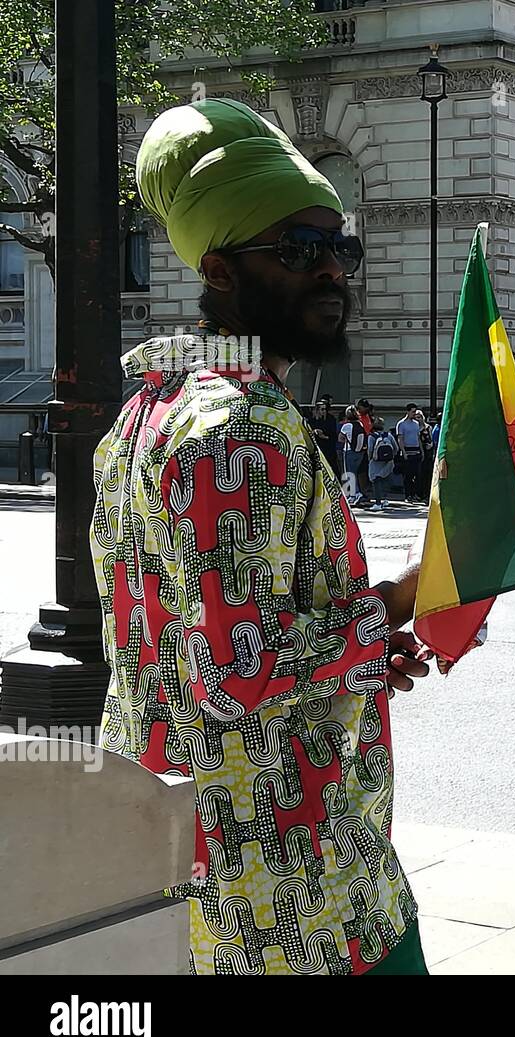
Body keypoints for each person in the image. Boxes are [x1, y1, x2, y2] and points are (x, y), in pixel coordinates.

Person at [92, 96, 431, 975]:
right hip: (298, 894)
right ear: (219, 270)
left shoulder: (145, 413)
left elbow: (191, 641)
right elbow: (234, 670)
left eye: (339, 247)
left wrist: (361, 646)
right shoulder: (238, 427)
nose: (331, 271)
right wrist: (406, 594)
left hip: (191, 877)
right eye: (298, 250)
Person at [395, 404, 426, 503]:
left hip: (416, 449)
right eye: (412, 412)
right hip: (407, 450)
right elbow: (400, 438)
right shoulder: (401, 424)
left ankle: (415, 494)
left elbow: (418, 438)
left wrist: (422, 451)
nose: (414, 414)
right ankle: (408, 495)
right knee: (408, 475)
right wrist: (403, 451)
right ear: (408, 412)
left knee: (417, 474)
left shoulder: (416, 424)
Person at [338, 403, 368, 505]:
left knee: (349, 473)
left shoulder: (346, 426)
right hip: (359, 452)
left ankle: (354, 494)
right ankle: (354, 493)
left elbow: (340, 438)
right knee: (355, 472)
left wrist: (347, 438)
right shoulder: (360, 424)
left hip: (349, 451)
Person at [368, 416, 399, 510]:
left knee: (375, 480)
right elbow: (396, 448)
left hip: (376, 462)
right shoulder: (389, 435)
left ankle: (378, 503)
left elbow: (370, 450)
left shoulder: (372, 436)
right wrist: (391, 456)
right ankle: (385, 499)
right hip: (388, 461)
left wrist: (370, 459)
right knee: (385, 479)